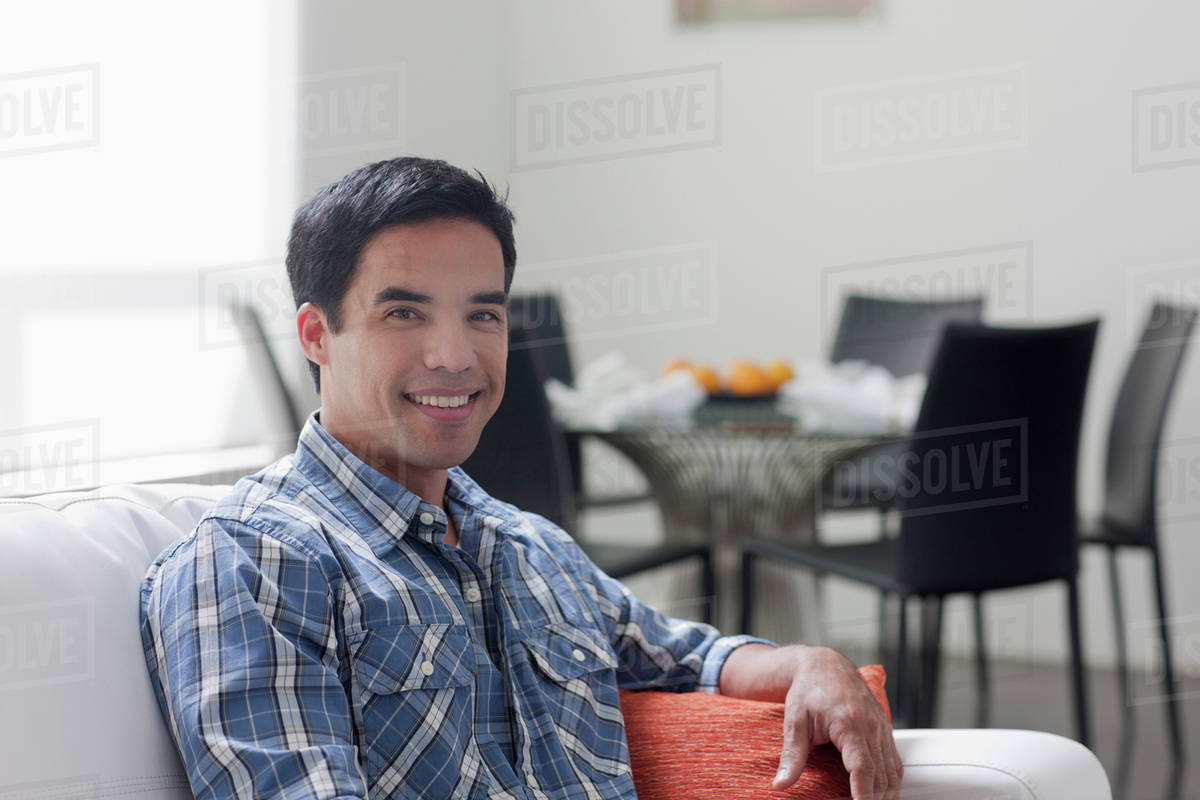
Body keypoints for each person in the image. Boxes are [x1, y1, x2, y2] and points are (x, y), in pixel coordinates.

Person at [137, 156, 898, 799]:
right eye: (404, 314)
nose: (455, 356)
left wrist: (812, 663)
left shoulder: (532, 548)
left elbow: (690, 659)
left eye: (483, 315)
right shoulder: (251, 563)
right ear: (317, 335)